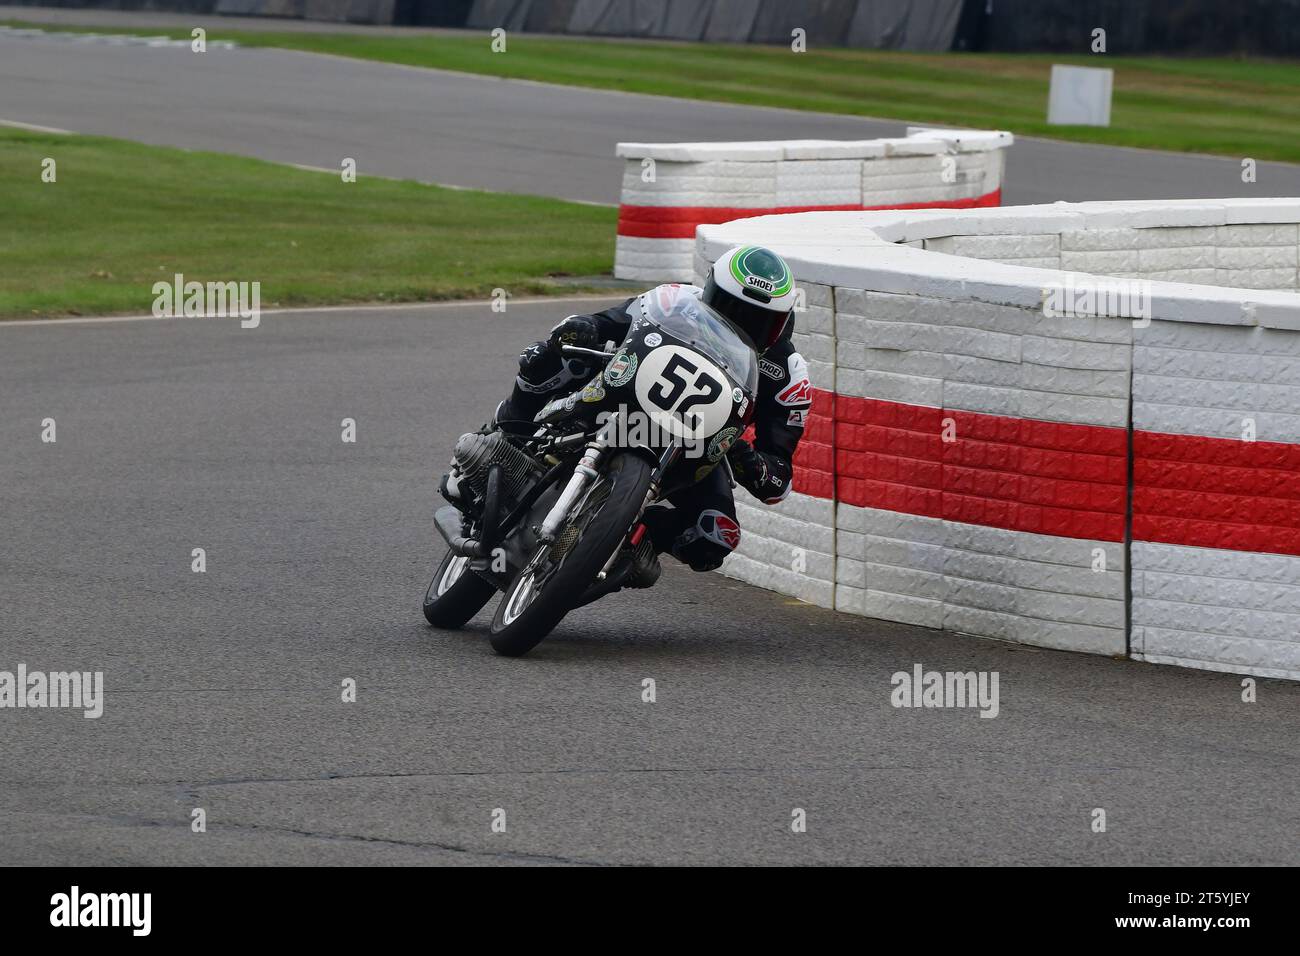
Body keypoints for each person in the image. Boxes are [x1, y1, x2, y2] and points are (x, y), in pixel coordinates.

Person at [493, 245, 812, 573]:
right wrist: (585, 327)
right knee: (548, 356)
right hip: (623, 391)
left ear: (781, 322)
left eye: (760, 321)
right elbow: (607, 323)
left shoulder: (788, 373)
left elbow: (778, 481)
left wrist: (747, 458)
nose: (741, 324)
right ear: (711, 291)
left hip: (697, 444)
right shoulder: (674, 299)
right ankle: (506, 435)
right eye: (732, 309)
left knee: (716, 535)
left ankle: (624, 542)